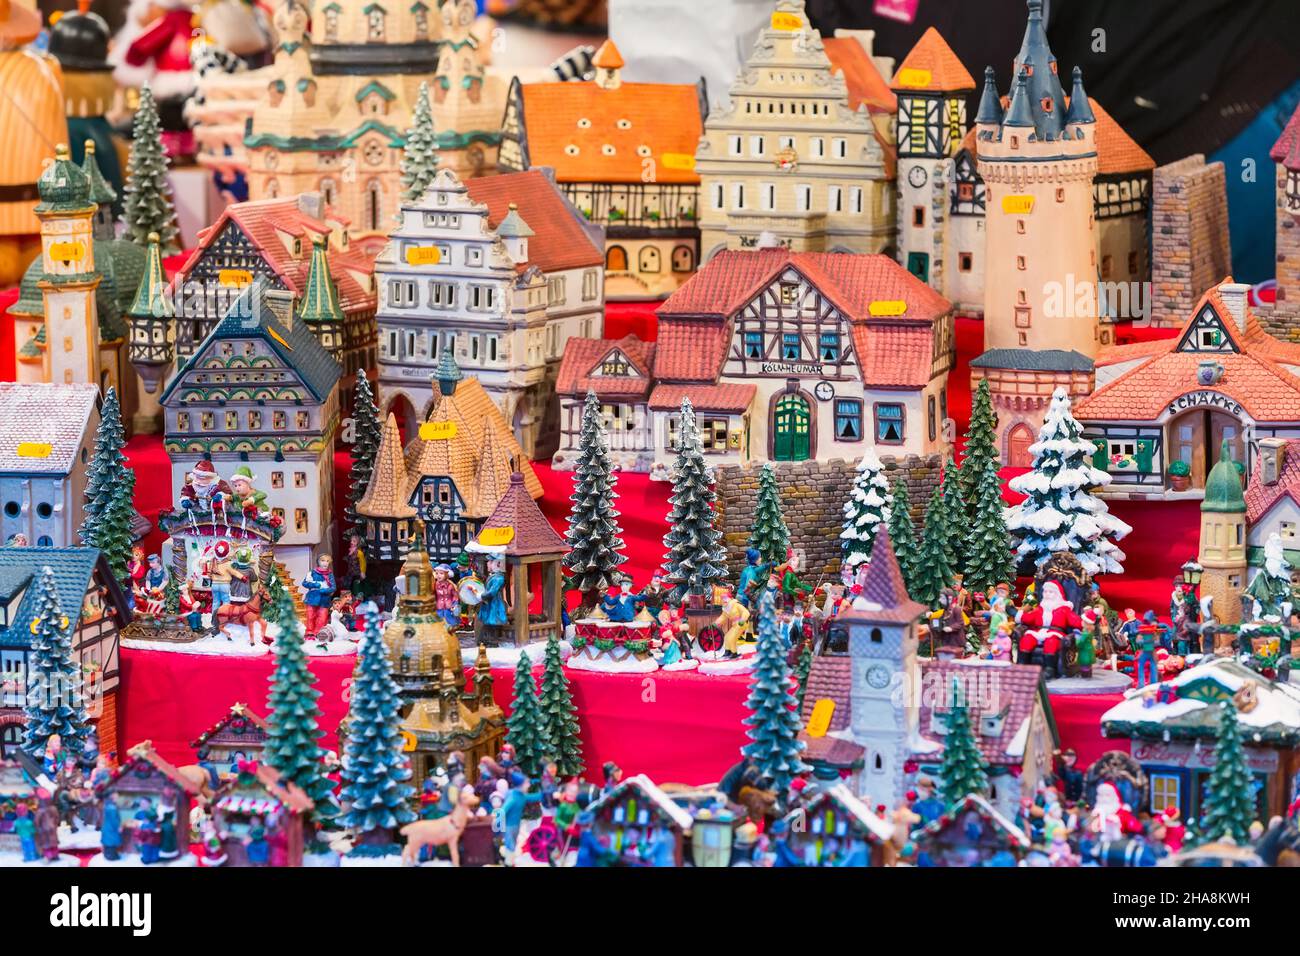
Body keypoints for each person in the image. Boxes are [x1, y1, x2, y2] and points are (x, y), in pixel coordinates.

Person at [300, 554, 336, 636]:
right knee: (310, 615)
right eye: (323, 561)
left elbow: (333, 587)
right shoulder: (312, 572)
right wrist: (314, 585)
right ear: (318, 562)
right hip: (312, 598)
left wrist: (325, 590)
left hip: (324, 599)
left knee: (322, 617)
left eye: (327, 561)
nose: (325, 563)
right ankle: (309, 631)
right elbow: (304, 583)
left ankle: (318, 632)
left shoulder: (329, 574)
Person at [715, 593, 751, 660]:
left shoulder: (736, 605)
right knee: (727, 637)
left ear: (730, 598)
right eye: (722, 599)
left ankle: (734, 653)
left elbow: (746, 612)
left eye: (725, 598)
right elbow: (723, 617)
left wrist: (742, 621)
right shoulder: (726, 608)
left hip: (742, 623)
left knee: (732, 638)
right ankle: (727, 651)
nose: (724, 600)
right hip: (735, 625)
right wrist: (716, 623)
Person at [479, 558, 509, 628]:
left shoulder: (498, 578)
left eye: (489, 562)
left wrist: (481, 595)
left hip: (494, 601)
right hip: (489, 601)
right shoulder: (493, 576)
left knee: (494, 617)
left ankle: (496, 633)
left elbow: (492, 592)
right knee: (488, 618)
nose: (487, 564)